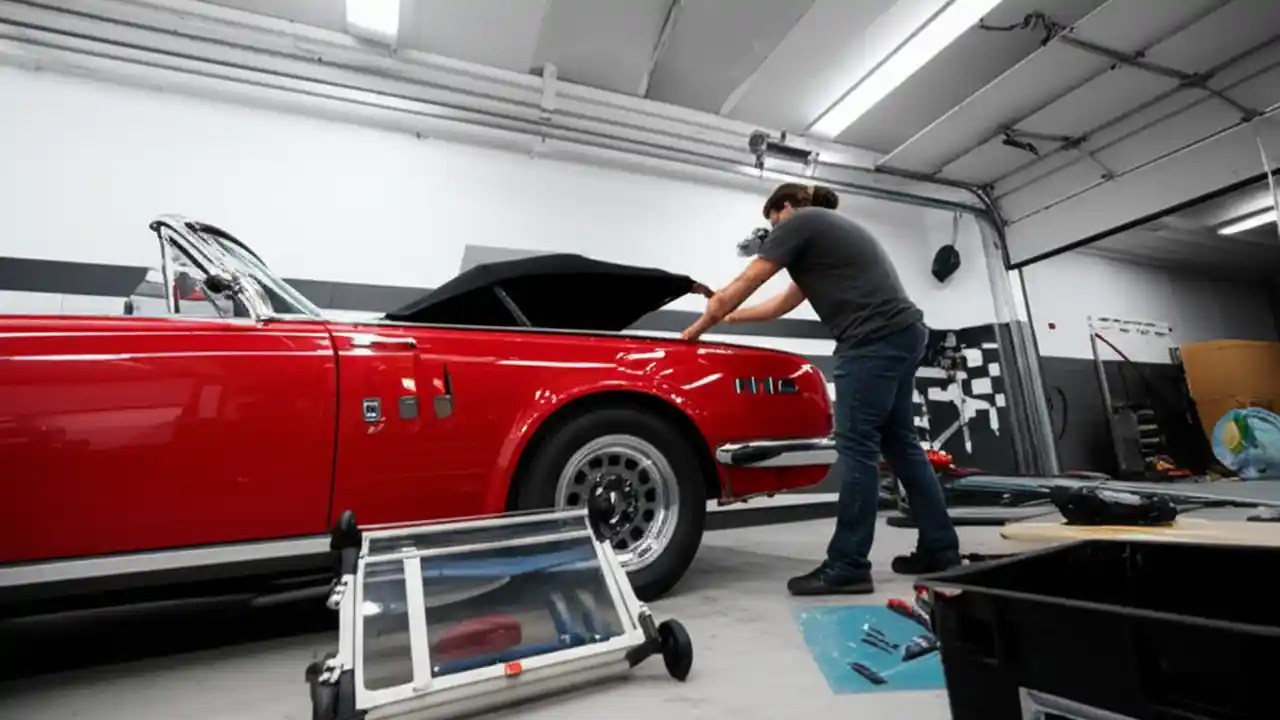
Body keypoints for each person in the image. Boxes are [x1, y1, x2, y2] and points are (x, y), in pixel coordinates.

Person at [680, 182, 960, 595]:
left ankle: (847, 565)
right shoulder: (826, 232)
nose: (773, 233)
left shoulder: (803, 221)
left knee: (858, 447)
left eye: (773, 223)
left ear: (785, 208)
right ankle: (941, 549)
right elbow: (780, 305)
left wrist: (696, 329)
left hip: (871, 342)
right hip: (904, 333)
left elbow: (749, 279)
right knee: (900, 444)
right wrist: (728, 319)